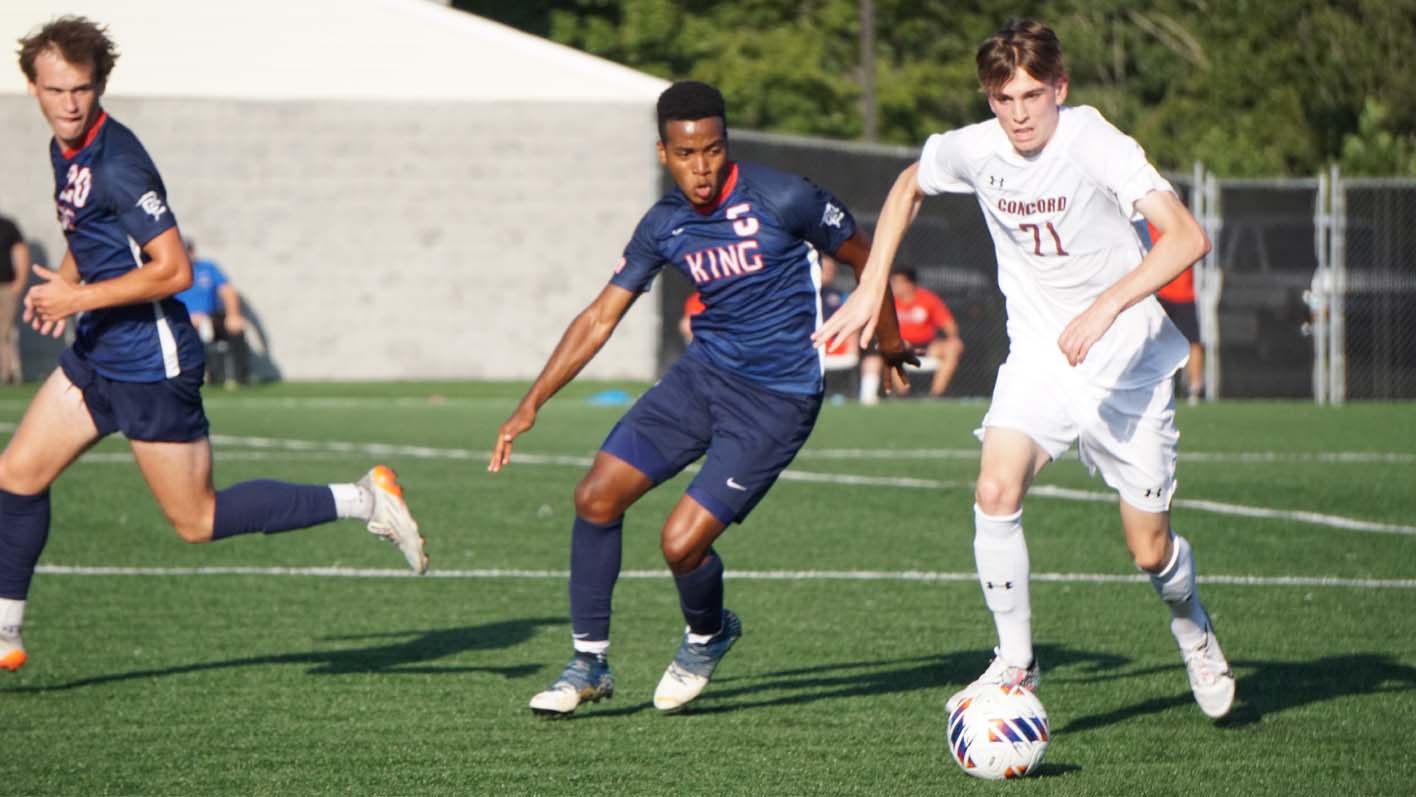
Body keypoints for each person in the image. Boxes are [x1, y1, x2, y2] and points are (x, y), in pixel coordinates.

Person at [817, 19, 1235, 719]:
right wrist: (871, 282)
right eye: (1003, 98)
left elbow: (1187, 236)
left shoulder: (1094, 142)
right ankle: (1016, 664)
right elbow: (907, 185)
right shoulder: (978, 148)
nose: (1018, 113)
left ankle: (1192, 625)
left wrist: (1106, 306)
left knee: (1149, 548)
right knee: (994, 486)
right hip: (1041, 355)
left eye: (1032, 96)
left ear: (1060, 89)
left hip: (1126, 364)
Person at [0, 17, 428, 674]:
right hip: (99, 350)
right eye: (55, 89)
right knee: (17, 475)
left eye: (81, 89)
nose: (69, 103)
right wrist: (69, 276)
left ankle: (364, 497)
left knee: (196, 520)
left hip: (150, 361)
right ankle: (5, 631)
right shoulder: (67, 147)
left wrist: (76, 298)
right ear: (32, 86)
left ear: (99, 85)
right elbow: (90, 228)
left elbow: (175, 270)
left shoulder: (118, 162)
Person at [489, 80, 913, 717]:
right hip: (701, 377)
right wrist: (532, 403)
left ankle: (709, 634)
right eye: (687, 154)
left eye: (713, 150)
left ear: (726, 144)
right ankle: (588, 664)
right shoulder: (663, 224)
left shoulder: (784, 195)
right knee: (595, 496)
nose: (703, 167)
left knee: (680, 543)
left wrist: (888, 337)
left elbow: (867, 257)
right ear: (665, 153)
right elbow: (601, 317)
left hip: (777, 397)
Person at [859, 266, 964, 403]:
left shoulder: (928, 299)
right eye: (893, 282)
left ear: (910, 284)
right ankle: (903, 395)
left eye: (898, 282)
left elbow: (950, 328)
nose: (894, 285)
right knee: (892, 346)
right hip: (901, 346)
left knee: (955, 346)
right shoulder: (887, 301)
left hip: (927, 346)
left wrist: (950, 339)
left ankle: (936, 396)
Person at [174, 239, 251, 387]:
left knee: (235, 328)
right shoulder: (172, 271)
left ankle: (242, 377)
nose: (187, 254)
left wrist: (233, 315)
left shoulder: (207, 268)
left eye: (189, 250)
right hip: (181, 319)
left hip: (211, 317)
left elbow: (227, 291)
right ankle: (211, 375)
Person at [1146, 222, 1205, 405]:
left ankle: (1195, 388)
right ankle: (1157, 386)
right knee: (1156, 343)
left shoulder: (1184, 224)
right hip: (1160, 293)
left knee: (1192, 341)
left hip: (1183, 294)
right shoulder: (1151, 225)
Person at [0, 213, 28, 385]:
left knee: (4, 332)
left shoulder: (7, 225)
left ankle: (8, 374)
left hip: (5, 288)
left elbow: (21, 253)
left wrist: (19, 283)